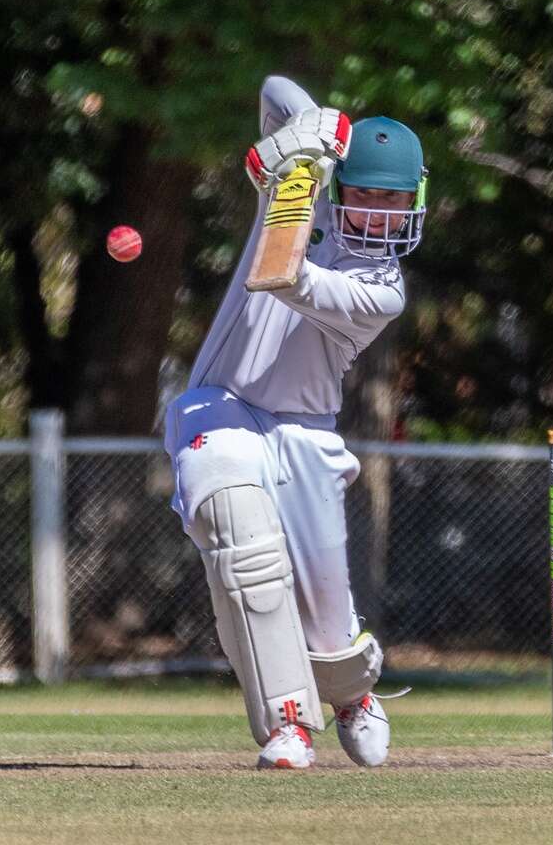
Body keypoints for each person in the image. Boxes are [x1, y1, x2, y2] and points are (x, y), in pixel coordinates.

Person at [164, 75, 426, 770]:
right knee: (243, 549)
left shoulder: (383, 290)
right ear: (343, 190)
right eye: (366, 193)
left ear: (414, 203)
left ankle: (351, 693)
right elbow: (275, 90)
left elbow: (291, 282)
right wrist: (311, 135)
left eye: (393, 199)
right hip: (220, 403)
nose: (378, 210)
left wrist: (286, 191)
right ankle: (286, 722)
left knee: (323, 600)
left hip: (305, 432)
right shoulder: (300, 189)